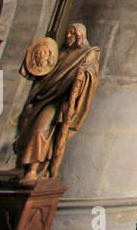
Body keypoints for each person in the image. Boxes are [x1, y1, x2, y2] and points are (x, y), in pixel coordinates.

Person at [15, 23, 100, 183]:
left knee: (41, 130)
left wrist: (82, 77)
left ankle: (34, 169)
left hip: (59, 102)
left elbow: (90, 74)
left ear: (80, 36)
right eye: (67, 33)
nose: (68, 36)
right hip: (43, 96)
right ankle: (27, 168)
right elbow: (41, 71)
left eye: (72, 34)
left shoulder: (87, 54)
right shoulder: (58, 52)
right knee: (30, 128)